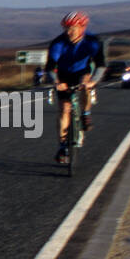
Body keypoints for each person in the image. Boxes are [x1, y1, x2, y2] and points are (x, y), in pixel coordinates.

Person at [47, 11, 105, 164]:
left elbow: (101, 65)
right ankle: (63, 146)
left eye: (72, 28)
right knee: (64, 109)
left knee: (85, 83)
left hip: (82, 72)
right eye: (66, 28)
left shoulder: (92, 41)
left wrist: (93, 81)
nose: (68, 32)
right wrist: (56, 82)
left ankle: (85, 113)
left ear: (82, 27)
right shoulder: (58, 43)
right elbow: (50, 67)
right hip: (64, 74)